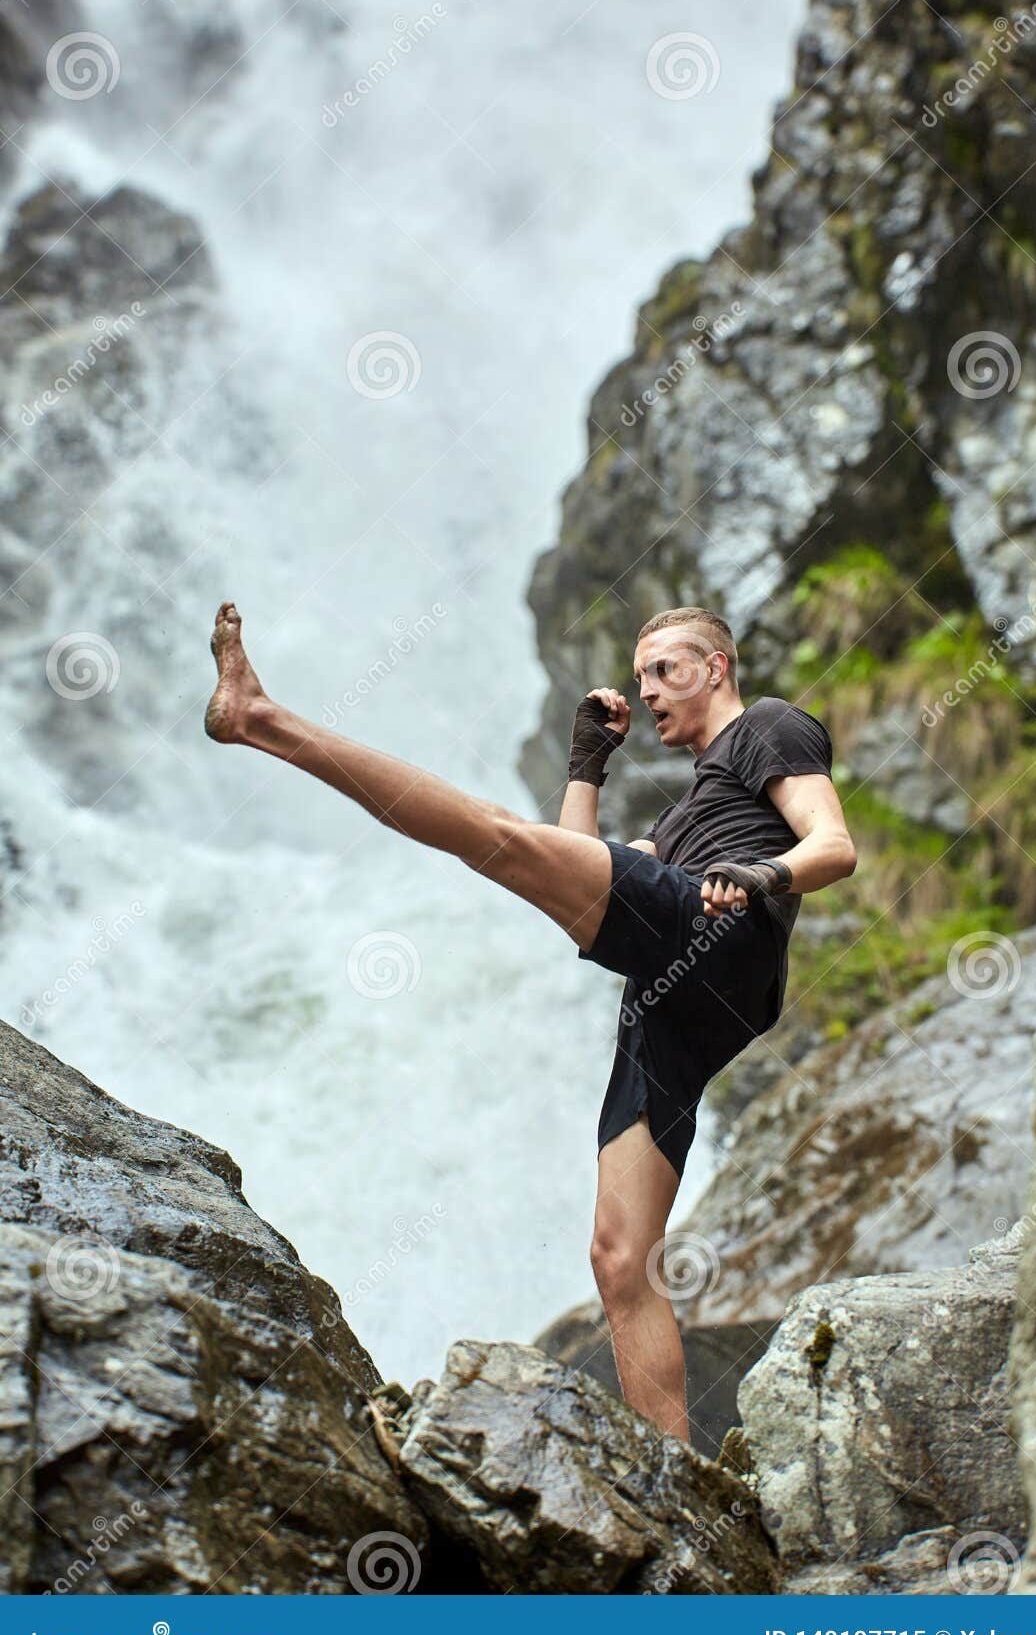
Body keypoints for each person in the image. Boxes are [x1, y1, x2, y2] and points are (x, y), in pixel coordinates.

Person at [205, 600, 856, 1442]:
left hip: (717, 932)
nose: (647, 689)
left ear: (717, 668)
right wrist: (589, 761)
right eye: (639, 674)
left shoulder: (767, 727)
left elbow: (832, 845)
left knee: (497, 835)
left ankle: (261, 718)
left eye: (664, 669)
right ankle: (675, 1478)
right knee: (620, 1259)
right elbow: (576, 863)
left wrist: (763, 873)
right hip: (676, 997)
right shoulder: (689, 805)